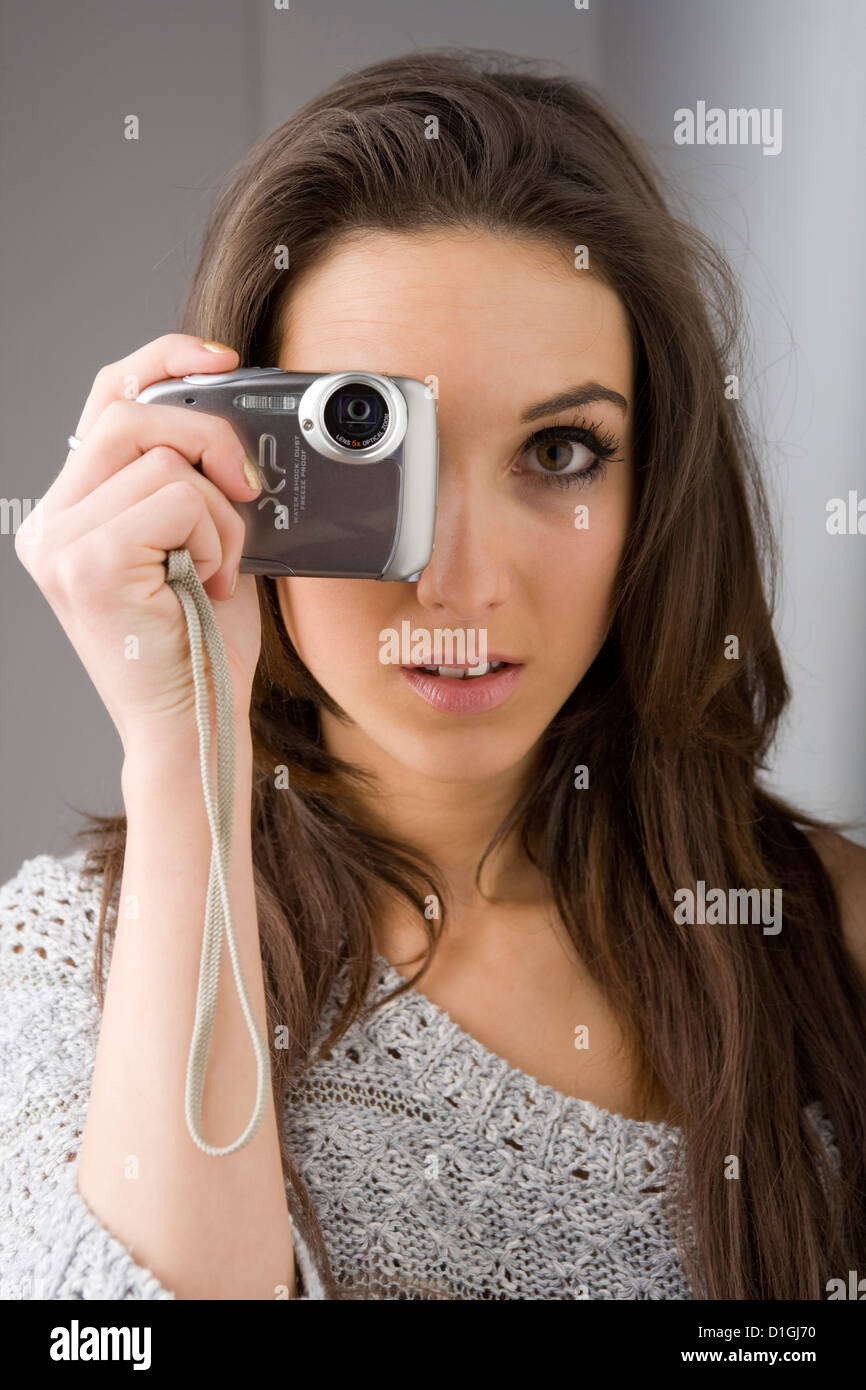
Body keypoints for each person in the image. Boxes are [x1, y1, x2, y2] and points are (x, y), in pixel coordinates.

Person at [2, 47, 865, 1303]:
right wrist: (188, 742)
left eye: (559, 449)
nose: (460, 580)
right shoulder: (60, 960)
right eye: (371, 454)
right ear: (231, 457)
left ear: (654, 491)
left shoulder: (827, 933)